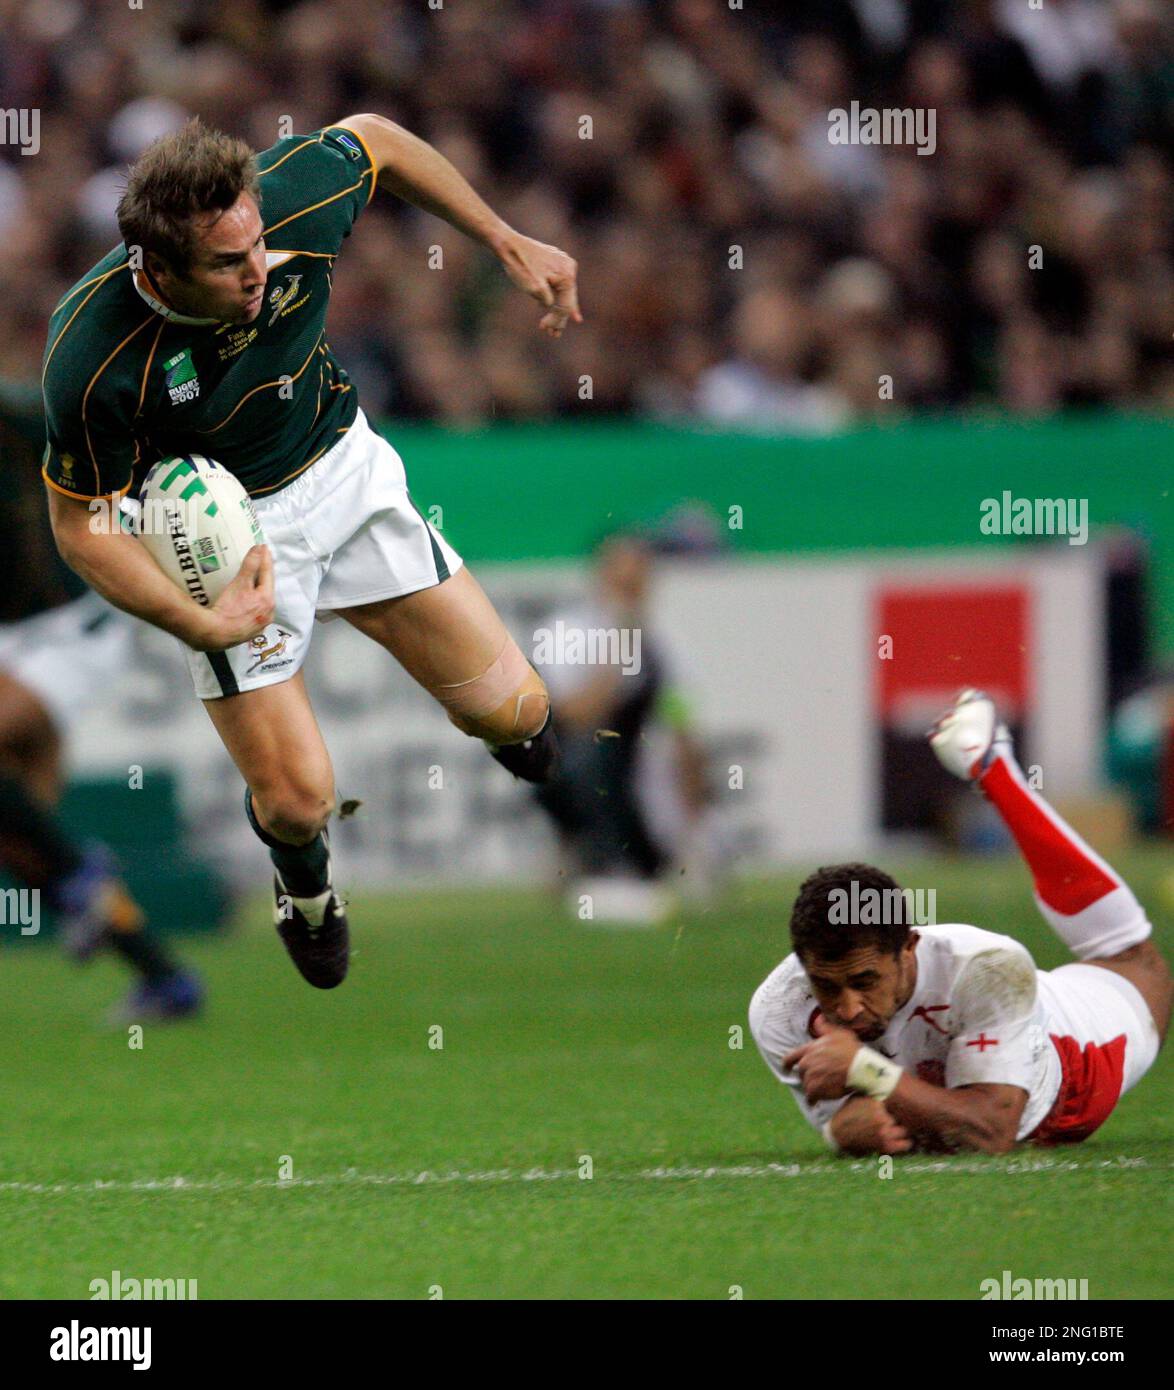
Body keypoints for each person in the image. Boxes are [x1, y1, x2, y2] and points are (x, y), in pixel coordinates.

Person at [42, 115, 580, 989]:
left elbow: (380, 139)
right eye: (225, 264)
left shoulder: (291, 198)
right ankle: (306, 889)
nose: (258, 271)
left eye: (256, 245)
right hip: (229, 543)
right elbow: (80, 525)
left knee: (515, 714)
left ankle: (529, 759)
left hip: (341, 470)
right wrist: (198, 623)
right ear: (158, 267)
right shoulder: (92, 354)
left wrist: (503, 237)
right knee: (298, 801)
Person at [749, 689, 1170, 1154]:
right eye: (827, 986)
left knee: (1129, 953)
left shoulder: (989, 965)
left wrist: (869, 1072)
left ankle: (997, 770)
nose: (846, 1009)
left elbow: (989, 1133)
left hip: (1083, 1055)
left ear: (909, 945)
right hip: (1012, 1012)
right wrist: (839, 1132)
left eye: (865, 980)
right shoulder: (779, 1008)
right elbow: (868, 1124)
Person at [0, 380, 201, 1019]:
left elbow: (101, 433)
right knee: (22, 835)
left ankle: (79, 877)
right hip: (10, 637)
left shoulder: (19, 420)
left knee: (35, 838)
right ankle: (164, 979)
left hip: (70, 630)